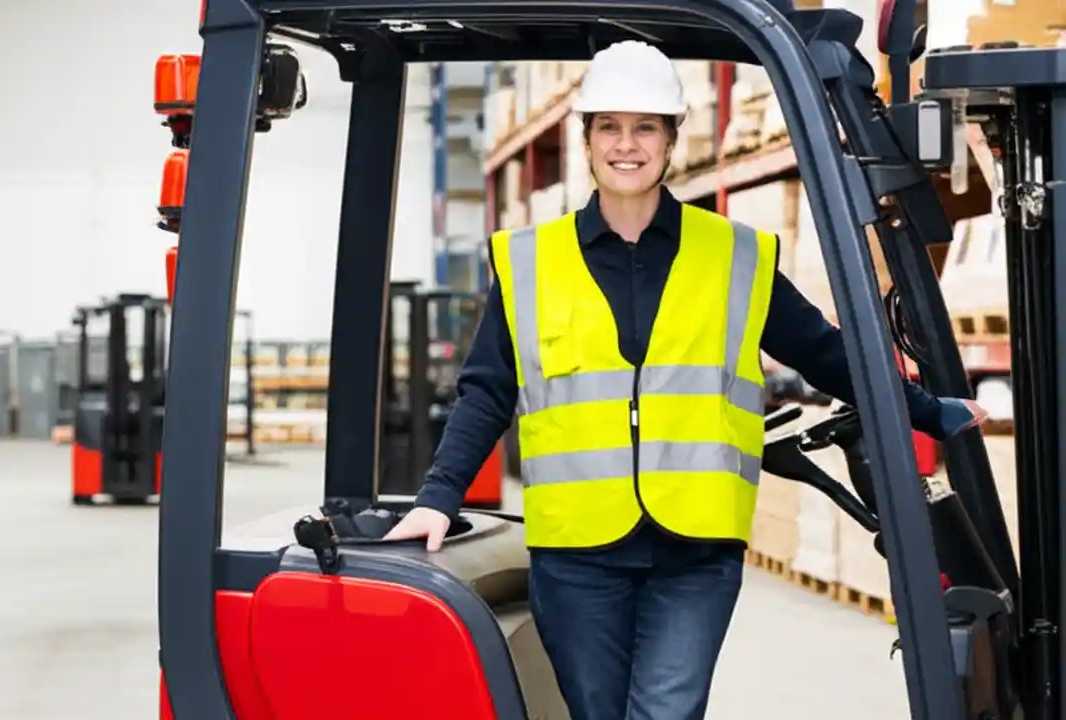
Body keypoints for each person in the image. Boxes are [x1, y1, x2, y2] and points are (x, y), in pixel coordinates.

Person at [382, 39, 989, 720]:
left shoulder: (735, 255)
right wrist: (438, 497)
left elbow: (827, 355)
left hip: (695, 549)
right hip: (576, 553)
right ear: (587, 138)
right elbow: (487, 390)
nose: (627, 144)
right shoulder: (531, 262)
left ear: (671, 139)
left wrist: (930, 412)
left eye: (646, 127)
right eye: (609, 126)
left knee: (666, 712)